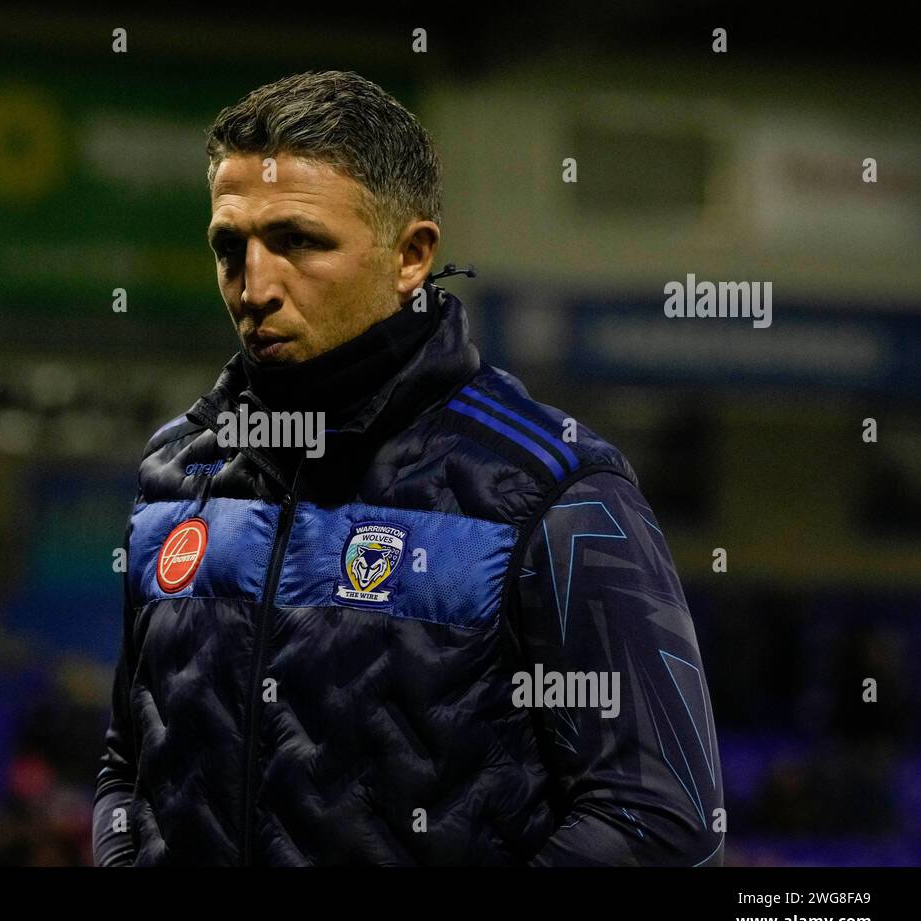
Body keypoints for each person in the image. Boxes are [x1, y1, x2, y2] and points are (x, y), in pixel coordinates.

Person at [93, 70, 723, 866]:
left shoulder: (551, 492)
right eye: (231, 248)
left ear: (411, 256)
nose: (253, 287)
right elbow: (126, 767)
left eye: (297, 242)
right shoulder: (174, 480)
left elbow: (658, 823)